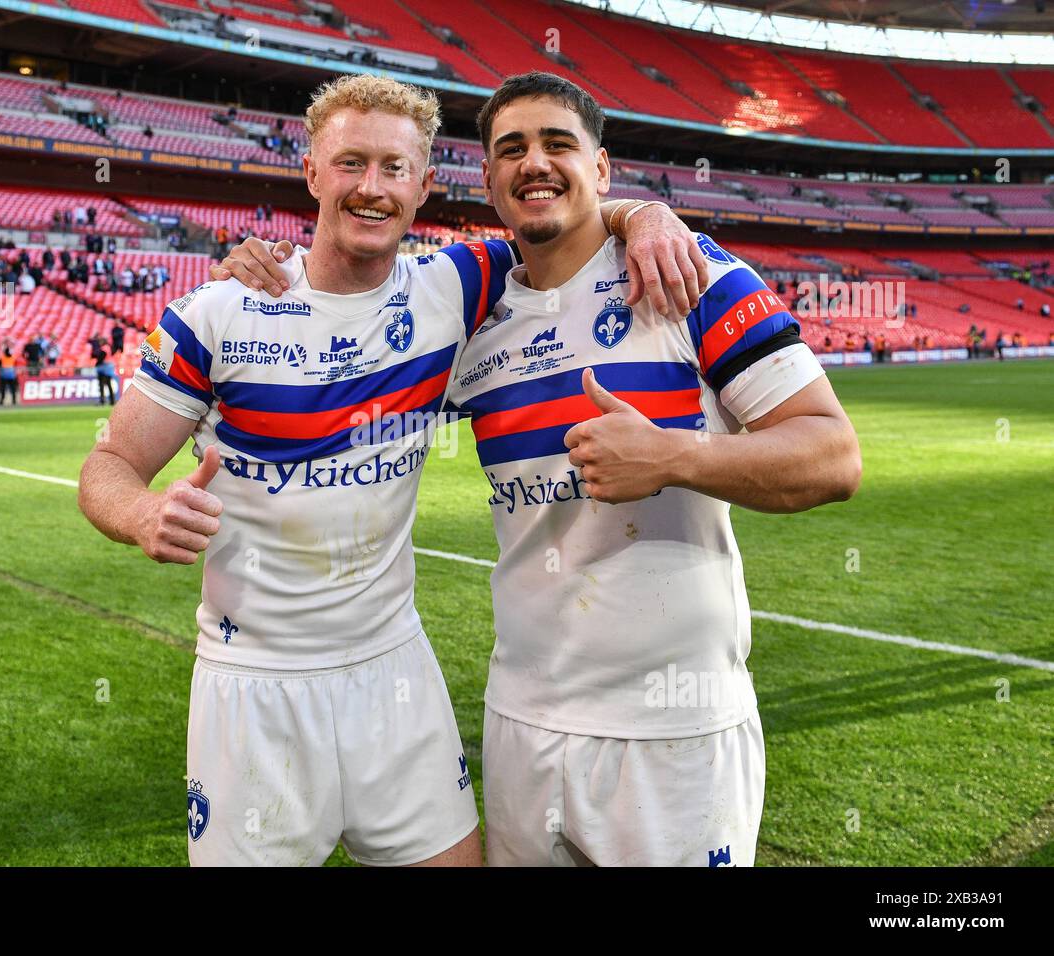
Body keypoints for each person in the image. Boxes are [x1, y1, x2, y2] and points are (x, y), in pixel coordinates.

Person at [218, 72, 859, 868]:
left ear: (603, 167)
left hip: (672, 726)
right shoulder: (471, 319)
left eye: (559, 144)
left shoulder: (691, 277)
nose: (535, 163)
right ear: (487, 179)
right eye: (511, 149)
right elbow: (342, 328)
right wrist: (263, 275)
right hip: (521, 721)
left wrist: (676, 456)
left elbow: (832, 456)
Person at [79, 73, 704, 868]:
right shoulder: (219, 313)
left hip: (394, 672)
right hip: (254, 683)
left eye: (393, 169)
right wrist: (139, 515)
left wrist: (646, 212)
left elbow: (560, 212)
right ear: (311, 173)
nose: (371, 188)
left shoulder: (453, 286)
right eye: (350, 164)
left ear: (422, 187)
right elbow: (109, 464)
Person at [93, 339, 116, 405]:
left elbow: (102, 356)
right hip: (108, 368)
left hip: (104, 368)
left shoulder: (104, 348)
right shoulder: (108, 347)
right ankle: (112, 401)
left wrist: (97, 363)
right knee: (108, 385)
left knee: (102, 385)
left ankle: (102, 400)